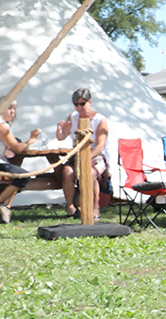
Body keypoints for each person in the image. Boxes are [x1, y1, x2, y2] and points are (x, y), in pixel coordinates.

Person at [55, 87, 109, 221]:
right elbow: (61, 137)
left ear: (89, 102)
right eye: (76, 104)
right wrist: (59, 127)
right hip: (77, 155)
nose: (79, 107)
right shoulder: (73, 117)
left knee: (91, 174)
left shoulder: (99, 120)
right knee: (67, 172)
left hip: (95, 156)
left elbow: (101, 146)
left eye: (82, 104)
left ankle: (95, 207)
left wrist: (87, 158)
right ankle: (71, 207)